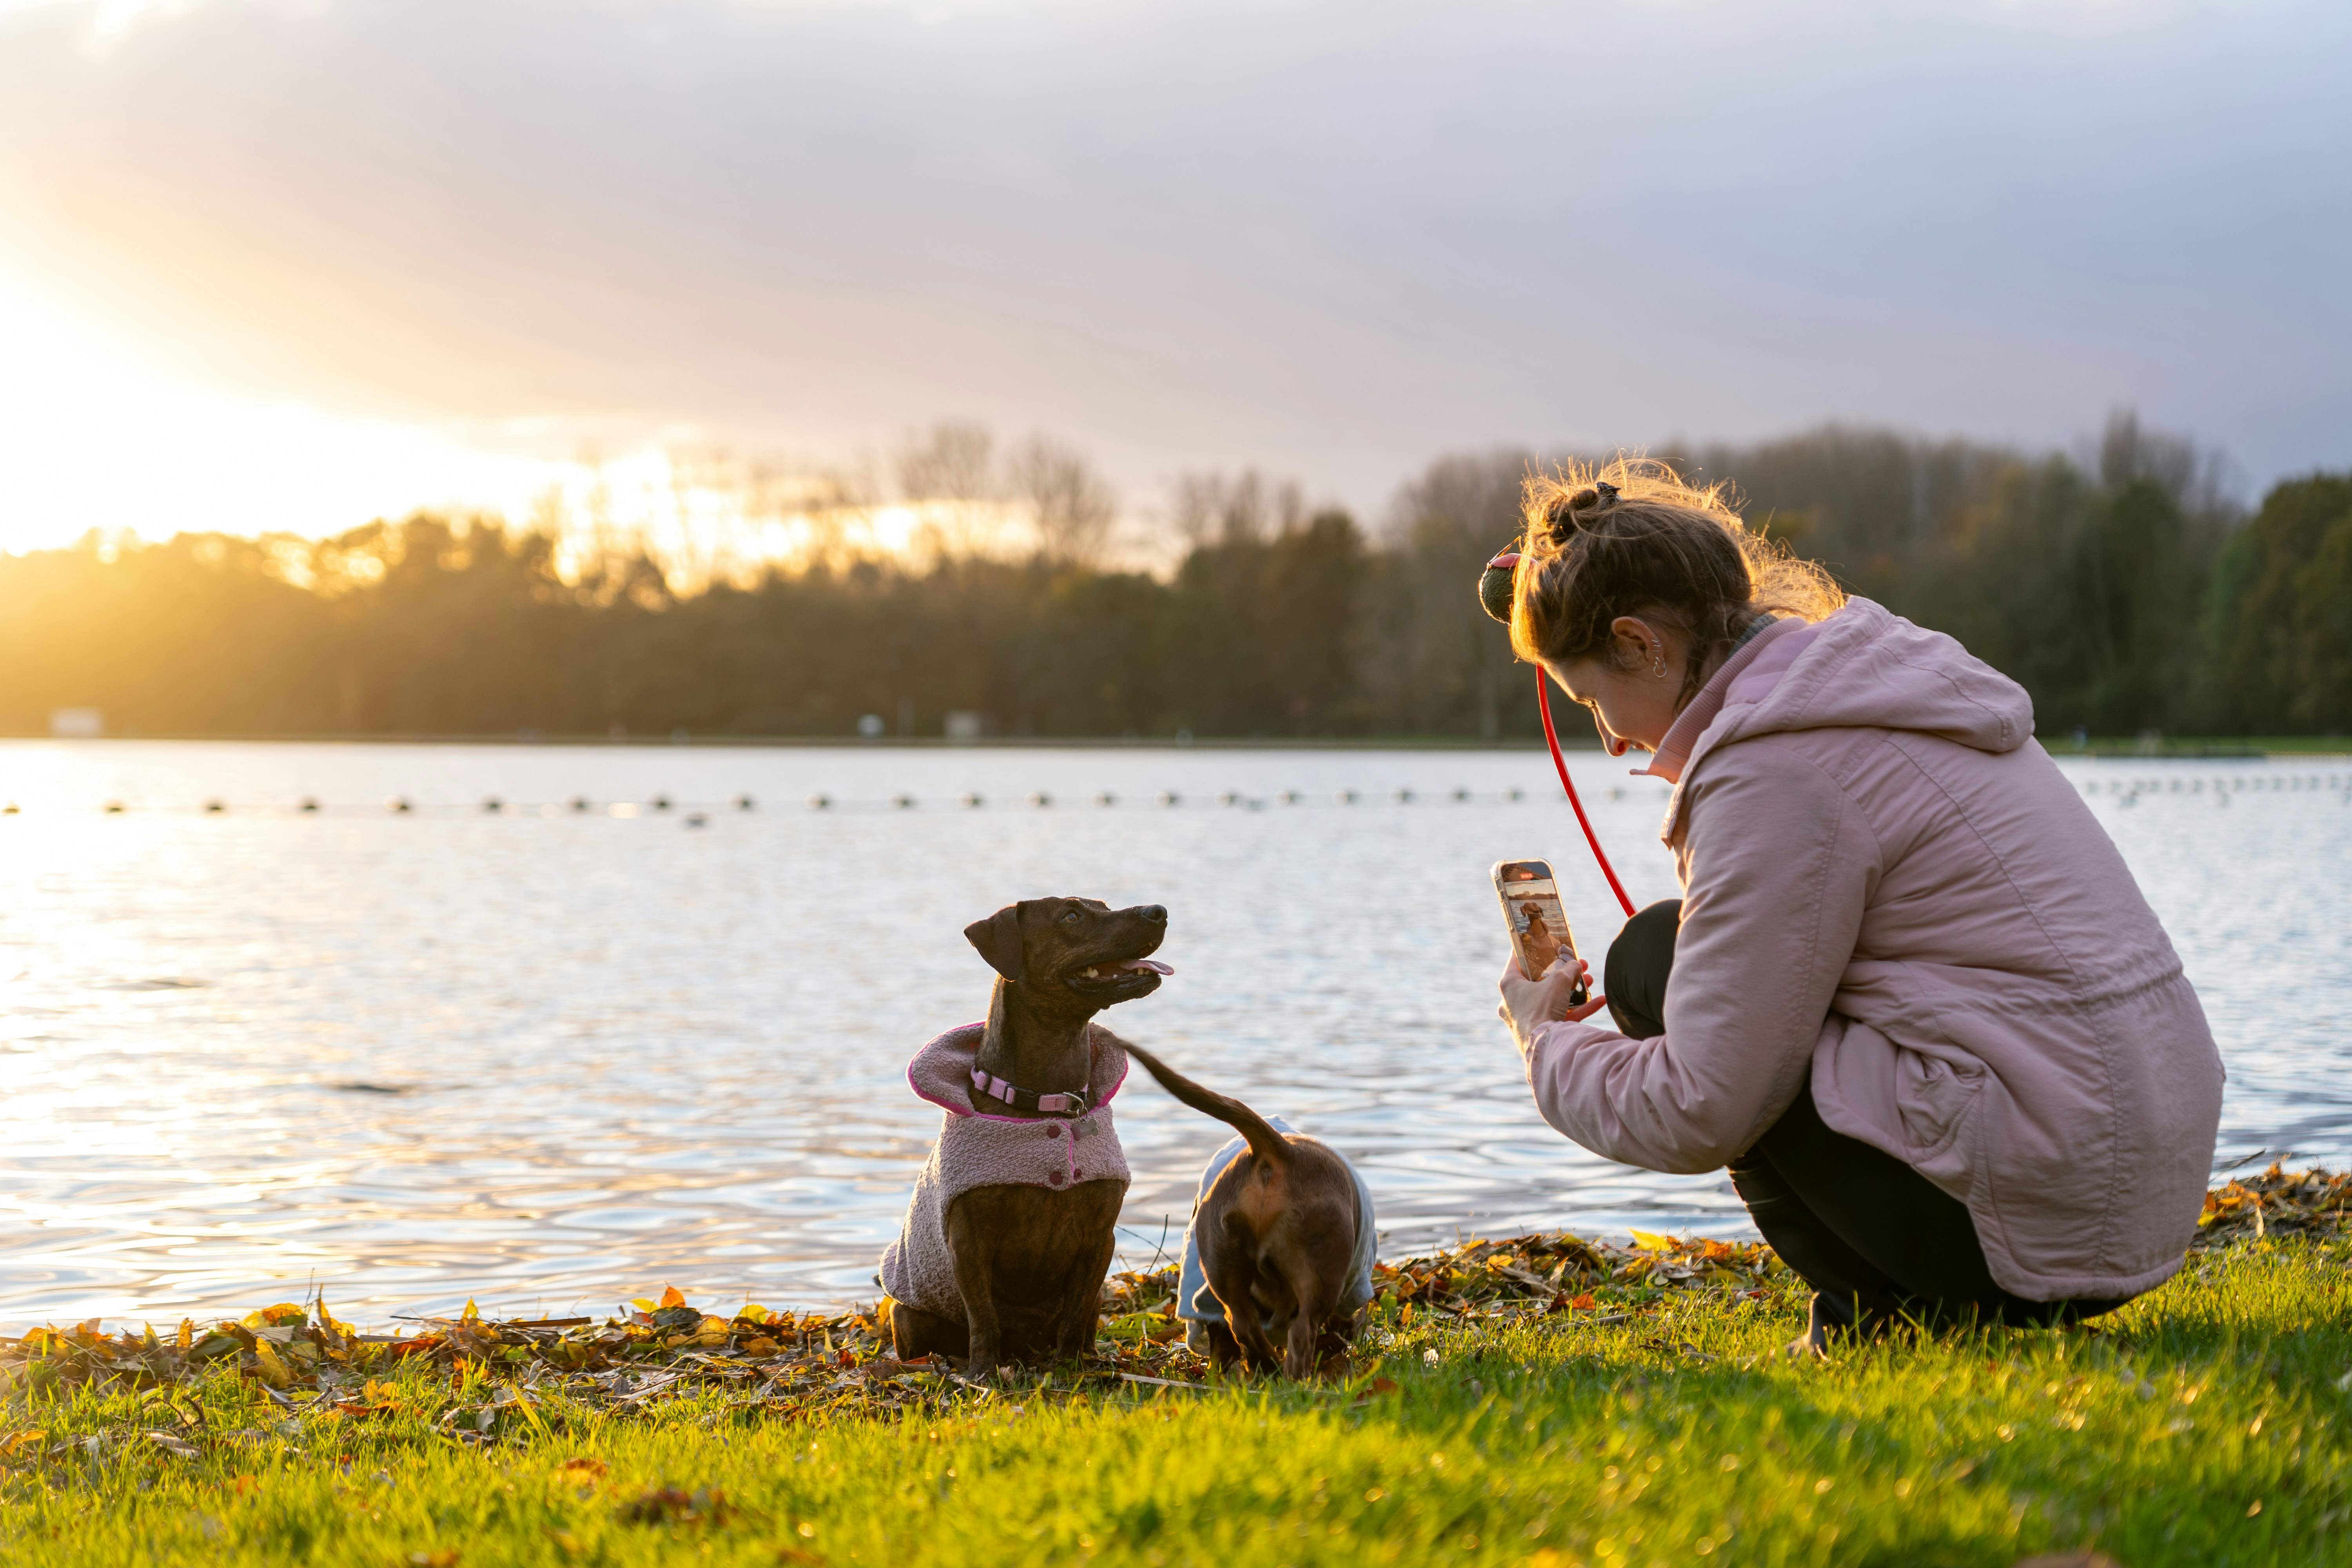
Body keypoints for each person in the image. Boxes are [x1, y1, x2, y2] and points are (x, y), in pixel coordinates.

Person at [1489, 459, 2223, 1354]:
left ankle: (1870, 1318)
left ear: (1643, 645)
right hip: (2133, 1181)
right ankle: (1881, 1308)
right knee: (1668, 953)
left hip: (2041, 1225)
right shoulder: (1875, 686)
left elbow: (1705, 1104)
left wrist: (1546, 1042)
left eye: (1595, 700)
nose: (1608, 740)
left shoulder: (1775, 768)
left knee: (1656, 969)